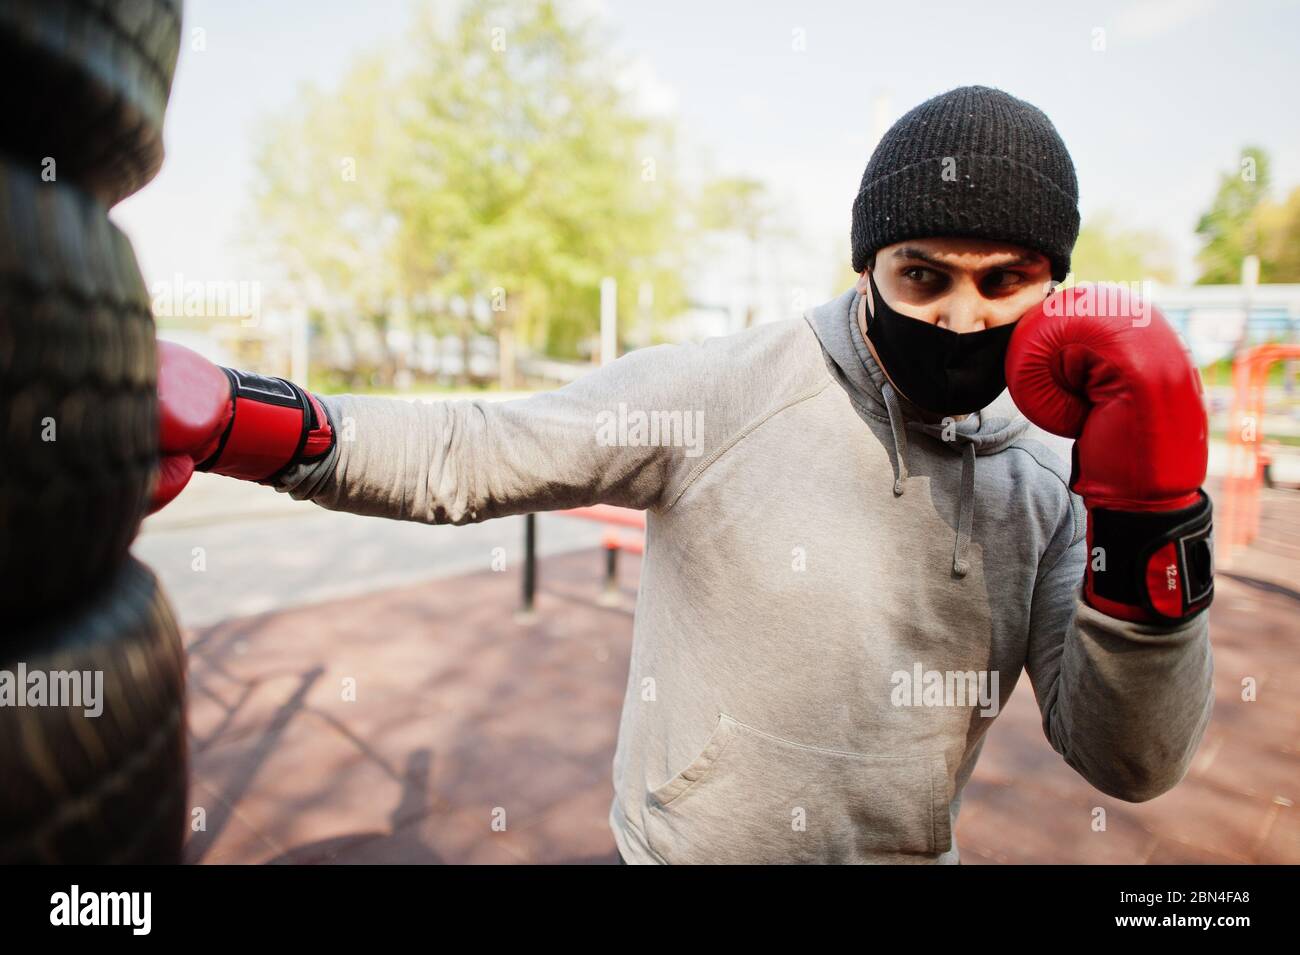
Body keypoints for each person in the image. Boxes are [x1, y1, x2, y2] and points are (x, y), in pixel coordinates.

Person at [153, 85, 1215, 864]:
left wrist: (1152, 520)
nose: (962, 316)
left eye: (1005, 282)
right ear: (868, 265)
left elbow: (1130, 762)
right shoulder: (723, 390)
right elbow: (469, 451)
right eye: (923, 276)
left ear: (1054, 286)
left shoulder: (1052, 475)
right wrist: (246, 421)